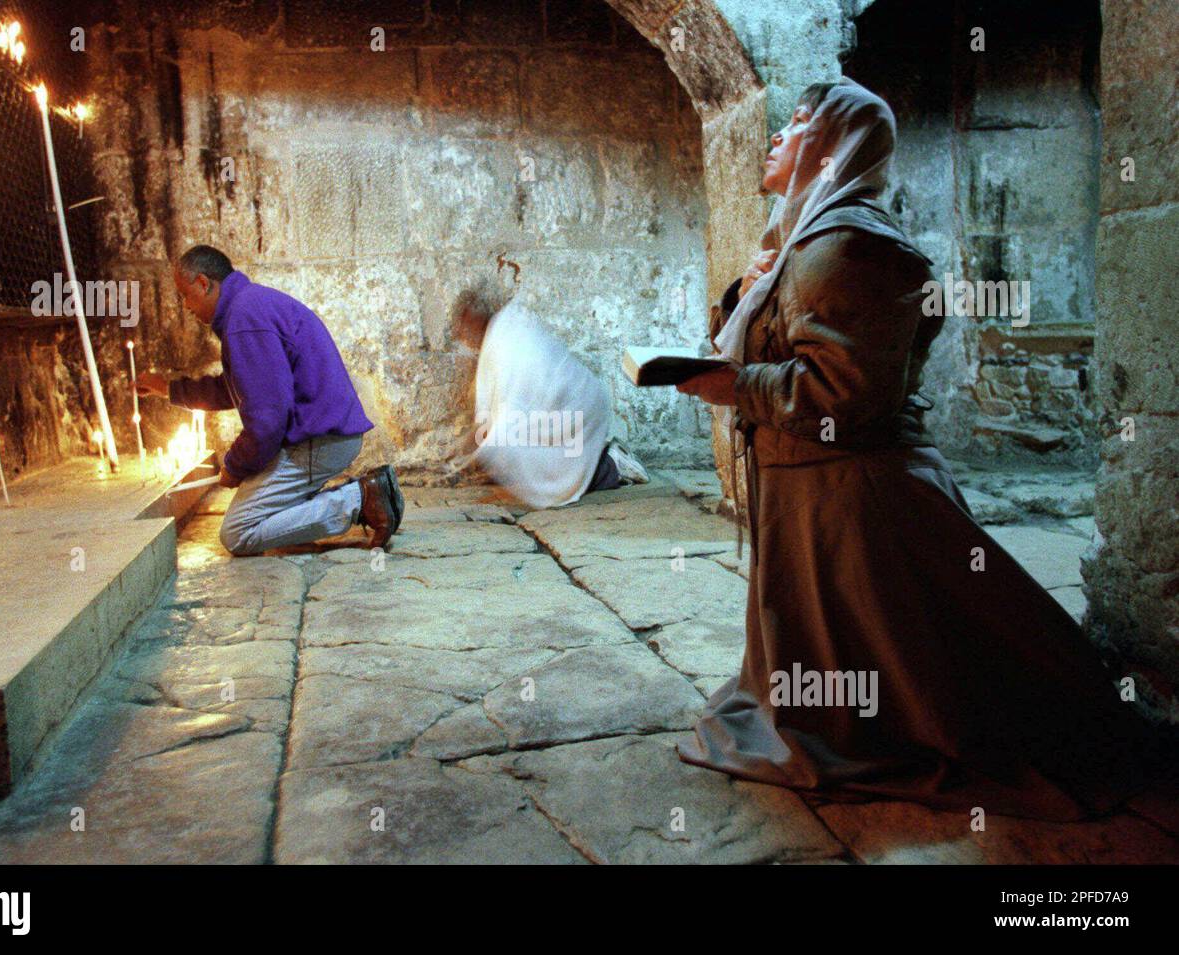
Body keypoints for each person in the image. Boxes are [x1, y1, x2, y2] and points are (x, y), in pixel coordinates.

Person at [675, 77, 1157, 820]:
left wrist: (736, 386)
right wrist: (745, 298)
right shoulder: (799, 236)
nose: (776, 135)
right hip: (810, 491)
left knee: (928, 683)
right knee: (844, 666)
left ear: (837, 147)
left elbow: (846, 396)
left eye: (799, 123)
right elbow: (766, 333)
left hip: (853, 499)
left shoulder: (855, 246)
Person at [137, 245, 403, 555]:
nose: (185, 305)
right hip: (322, 435)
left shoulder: (244, 320)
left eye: (185, 294)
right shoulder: (248, 306)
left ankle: (361, 499)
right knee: (261, 518)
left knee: (238, 532)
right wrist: (170, 390)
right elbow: (235, 388)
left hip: (322, 440)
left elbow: (268, 421)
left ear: (203, 283)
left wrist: (234, 466)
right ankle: (334, 502)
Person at [454, 294, 648, 509]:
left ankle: (613, 466)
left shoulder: (510, 340)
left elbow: (515, 402)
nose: (465, 334)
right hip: (565, 405)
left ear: (478, 318)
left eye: (466, 324)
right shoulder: (501, 335)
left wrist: (485, 442)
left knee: (528, 458)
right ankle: (602, 460)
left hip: (578, 406)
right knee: (520, 449)